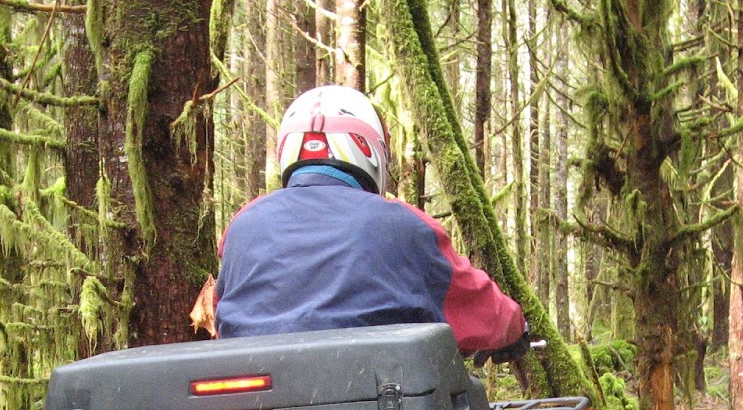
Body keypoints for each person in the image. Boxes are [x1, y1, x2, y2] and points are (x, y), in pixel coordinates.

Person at [215, 86, 528, 362]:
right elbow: (478, 306)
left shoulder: (242, 225)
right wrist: (516, 329)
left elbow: (225, 312)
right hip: (377, 408)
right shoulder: (403, 225)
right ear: (370, 150)